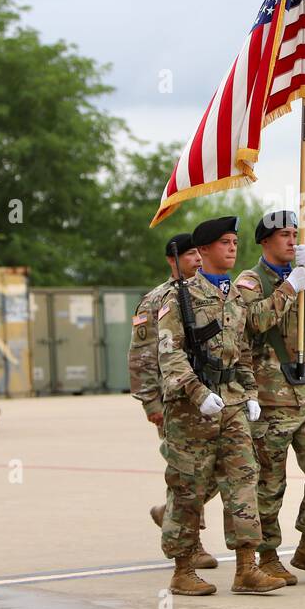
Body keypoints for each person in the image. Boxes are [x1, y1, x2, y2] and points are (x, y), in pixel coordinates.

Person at [155, 215, 284, 596]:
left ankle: (247, 568)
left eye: (234, 242)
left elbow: (242, 352)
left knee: (244, 483)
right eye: (225, 242)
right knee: (188, 488)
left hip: (231, 403)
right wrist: (198, 393)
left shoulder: (235, 297)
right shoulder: (178, 296)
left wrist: (251, 394)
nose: (232, 248)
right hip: (192, 410)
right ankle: (182, 569)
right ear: (204, 250)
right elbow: (169, 353)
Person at [234, 210, 305, 583]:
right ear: (265, 241)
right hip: (270, 402)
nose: (292, 240)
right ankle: (266, 555)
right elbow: (253, 322)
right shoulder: (250, 282)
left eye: (295, 233)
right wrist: (289, 288)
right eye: (283, 234)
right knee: (270, 484)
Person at [130, 233, 219, 572]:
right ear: (173, 260)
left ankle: (171, 515)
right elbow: (140, 356)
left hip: (210, 396)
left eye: (200, 252)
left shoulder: (209, 294)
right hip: (174, 401)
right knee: (187, 473)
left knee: (217, 470)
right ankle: (190, 544)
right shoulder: (155, 301)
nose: (197, 259)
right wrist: (150, 402)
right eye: (190, 254)